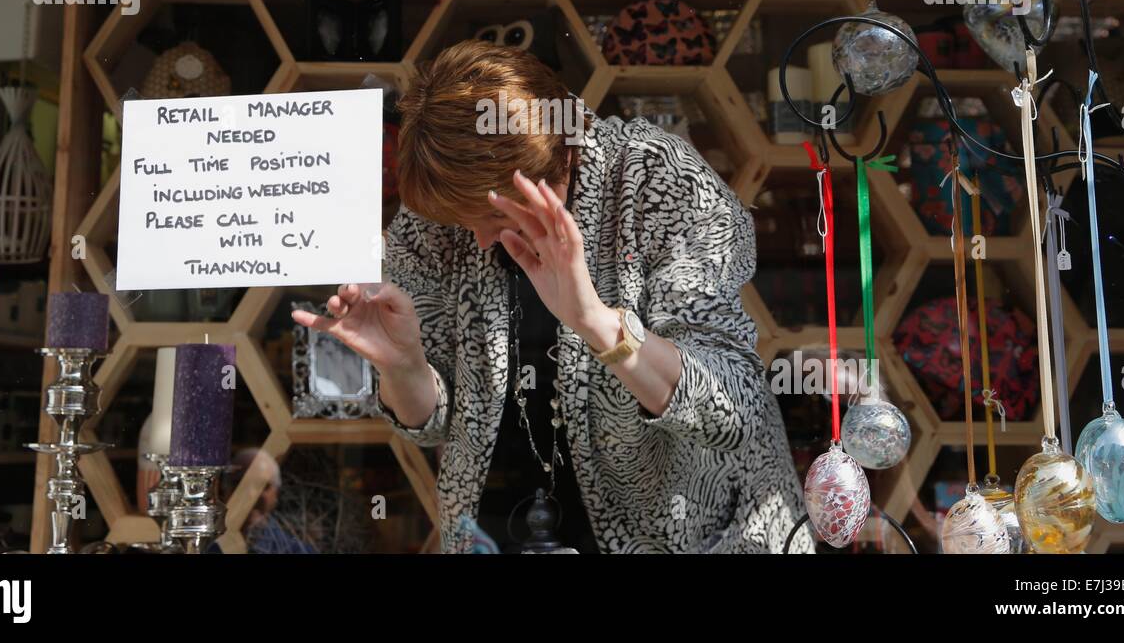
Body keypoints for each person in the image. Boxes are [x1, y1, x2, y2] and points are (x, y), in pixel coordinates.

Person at [293, 41, 810, 553]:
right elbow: (434, 424)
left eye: (497, 217)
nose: (479, 240)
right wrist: (403, 366)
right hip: (500, 528)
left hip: (695, 533)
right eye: (462, 223)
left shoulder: (655, 176)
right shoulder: (438, 212)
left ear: (561, 157)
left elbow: (736, 409)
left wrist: (597, 324)